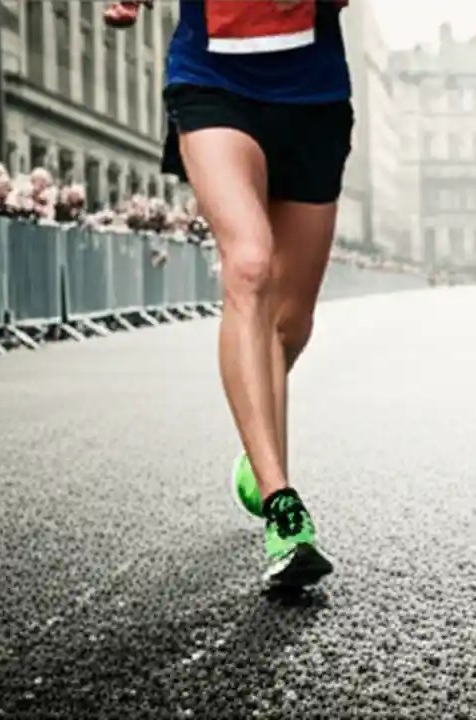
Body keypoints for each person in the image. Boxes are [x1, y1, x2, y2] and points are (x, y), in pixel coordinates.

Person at [106, 0, 353, 589]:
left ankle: (255, 441)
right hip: (213, 80)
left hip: (313, 94)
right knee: (248, 265)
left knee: (290, 325)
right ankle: (281, 504)